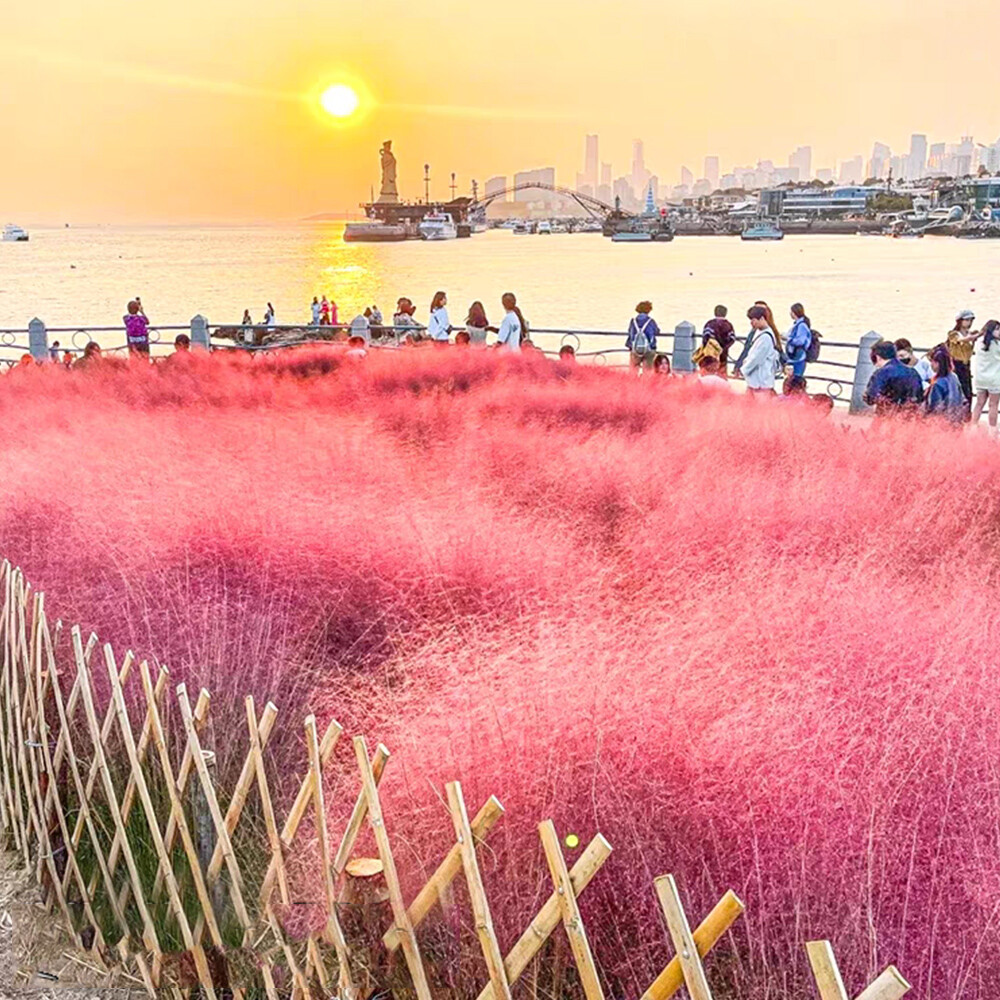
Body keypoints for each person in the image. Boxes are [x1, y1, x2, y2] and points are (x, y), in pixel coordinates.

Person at [863, 340, 924, 416]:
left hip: (887, 417)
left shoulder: (881, 373)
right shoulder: (913, 372)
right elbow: (918, 397)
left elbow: (872, 397)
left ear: (877, 357)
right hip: (910, 417)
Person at [742, 305, 779, 393]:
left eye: (753, 320)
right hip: (758, 380)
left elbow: (756, 358)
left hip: (760, 382)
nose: (751, 322)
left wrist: (743, 369)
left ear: (762, 318)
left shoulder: (765, 337)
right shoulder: (763, 333)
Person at [924, 345, 965, 424]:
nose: (931, 365)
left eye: (932, 362)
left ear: (937, 363)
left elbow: (935, 407)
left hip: (942, 422)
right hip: (956, 419)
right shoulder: (954, 377)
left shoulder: (938, 384)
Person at [972, 319, 1000, 430]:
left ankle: (973, 427)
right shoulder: (997, 345)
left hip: (980, 379)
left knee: (979, 403)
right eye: (997, 329)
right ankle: (992, 429)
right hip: (994, 379)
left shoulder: (979, 342)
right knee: (993, 404)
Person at [947, 309, 978, 403]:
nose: (969, 322)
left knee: (968, 391)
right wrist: (972, 337)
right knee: (958, 391)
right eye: (967, 320)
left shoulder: (971, 333)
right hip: (956, 364)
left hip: (966, 364)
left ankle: (967, 414)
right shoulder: (953, 334)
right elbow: (960, 340)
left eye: (970, 320)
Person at [700, 305, 736, 376]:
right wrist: (724, 348)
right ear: (725, 313)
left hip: (710, 354)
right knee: (722, 373)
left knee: (708, 373)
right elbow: (732, 339)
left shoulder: (710, 324)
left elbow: (705, 337)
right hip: (723, 354)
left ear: (715, 313)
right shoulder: (728, 325)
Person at [626, 301, 659, 372]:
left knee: (633, 371)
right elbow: (656, 331)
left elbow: (630, 333)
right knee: (648, 371)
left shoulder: (633, 321)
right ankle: (645, 382)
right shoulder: (650, 321)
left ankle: (633, 382)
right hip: (649, 349)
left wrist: (630, 346)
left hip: (636, 349)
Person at [785, 304, 812, 378]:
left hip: (798, 357)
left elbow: (800, 341)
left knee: (796, 379)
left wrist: (789, 339)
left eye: (791, 312)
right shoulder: (798, 324)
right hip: (795, 356)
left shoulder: (801, 325)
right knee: (793, 378)